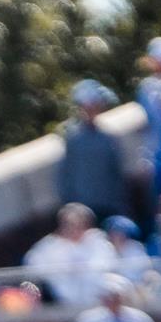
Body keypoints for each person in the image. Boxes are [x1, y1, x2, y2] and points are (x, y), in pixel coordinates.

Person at [58, 81, 128, 223]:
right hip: (83, 206)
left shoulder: (108, 138)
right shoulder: (72, 138)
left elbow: (116, 173)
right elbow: (66, 174)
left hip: (108, 204)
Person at [24, 204, 114, 307]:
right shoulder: (49, 246)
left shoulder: (98, 242)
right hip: (63, 303)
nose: (73, 228)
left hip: (99, 302)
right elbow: (33, 264)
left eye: (78, 224)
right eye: (68, 224)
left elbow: (106, 265)